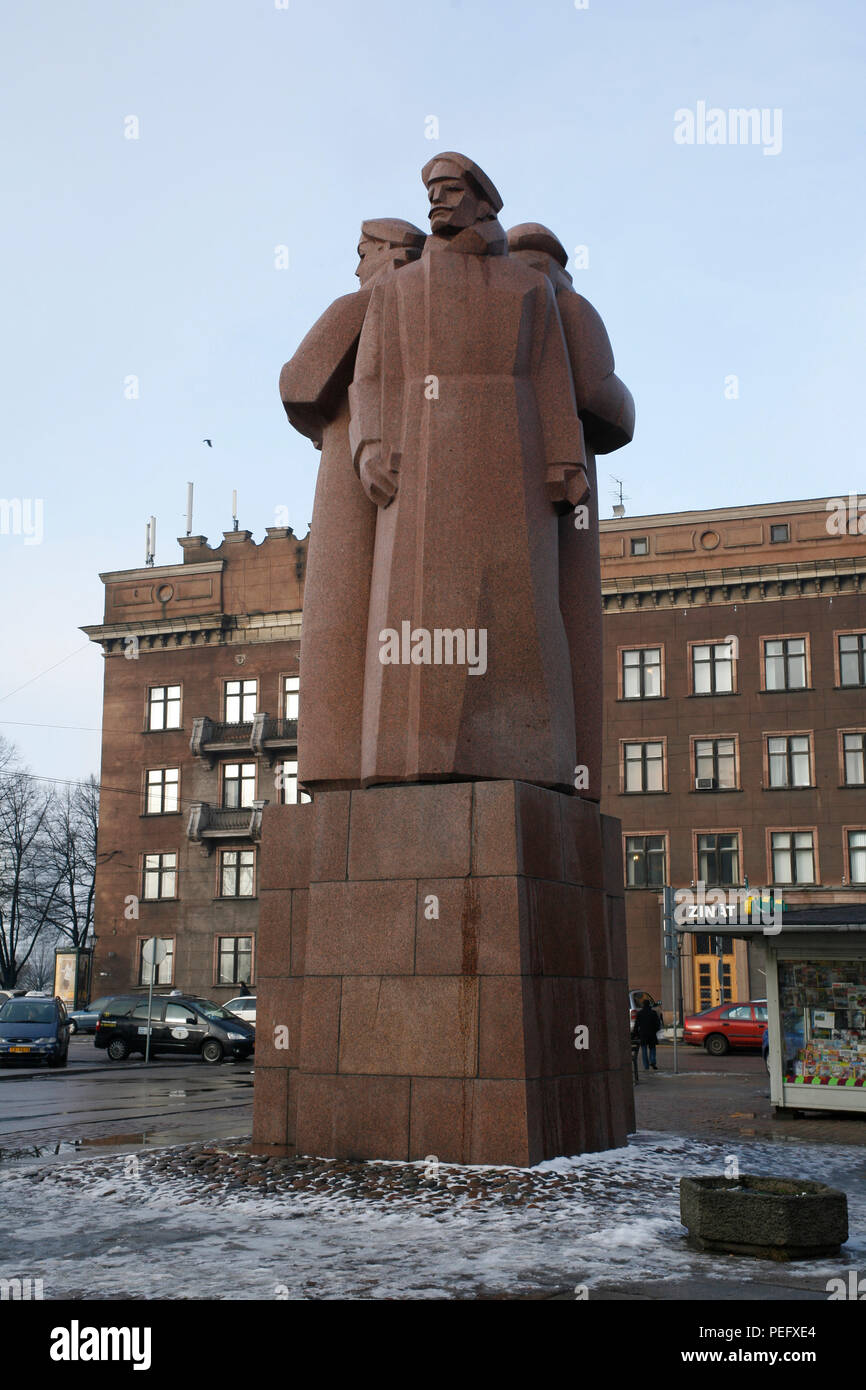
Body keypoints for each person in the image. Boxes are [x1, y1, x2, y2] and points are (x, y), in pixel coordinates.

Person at [633, 998, 661, 1071]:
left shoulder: (640, 1013)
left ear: (643, 1005)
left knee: (644, 1050)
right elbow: (658, 1024)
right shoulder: (653, 1013)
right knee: (652, 1048)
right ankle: (653, 1061)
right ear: (649, 1005)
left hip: (643, 1034)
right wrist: (655, 1030)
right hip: (652, 1034)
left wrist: (635, 1034)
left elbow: (636, 1025)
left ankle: (646, 1066)